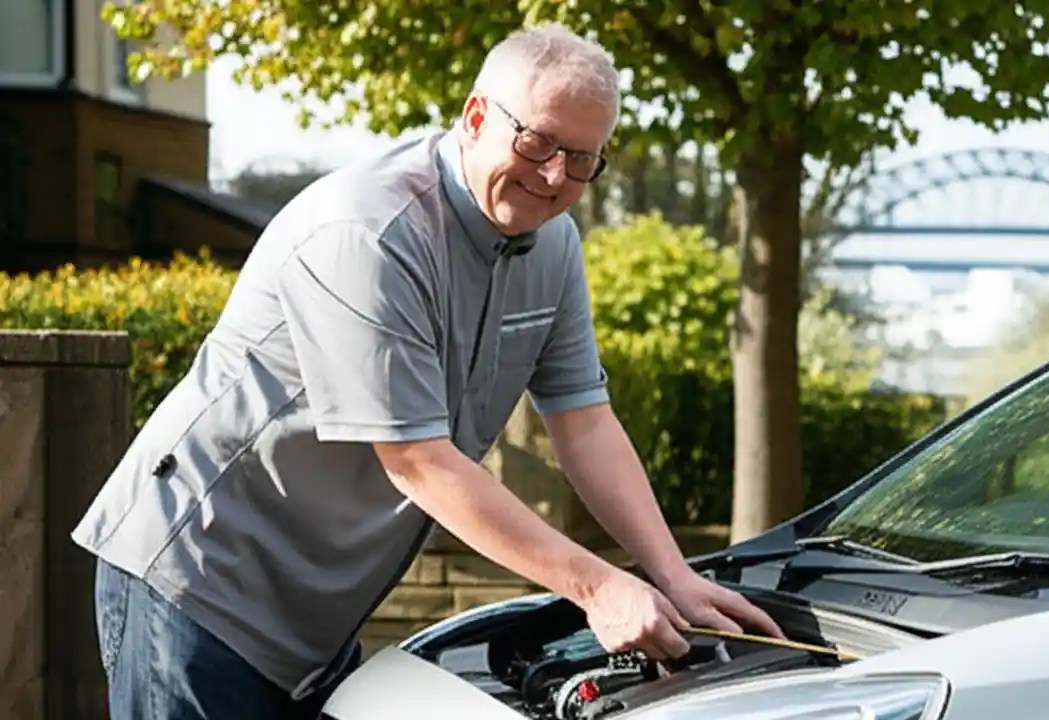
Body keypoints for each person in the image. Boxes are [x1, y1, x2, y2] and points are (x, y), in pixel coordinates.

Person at [72, 22, 783, 719]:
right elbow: (418, 461)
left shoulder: (554, 244)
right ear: (476, 117)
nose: (555, 176)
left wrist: (672, 574)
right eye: (536, 142)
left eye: (582, 157)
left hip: (316, 621)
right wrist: (598, 587)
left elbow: (585, 421)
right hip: (199, 588)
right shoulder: (368, 233)